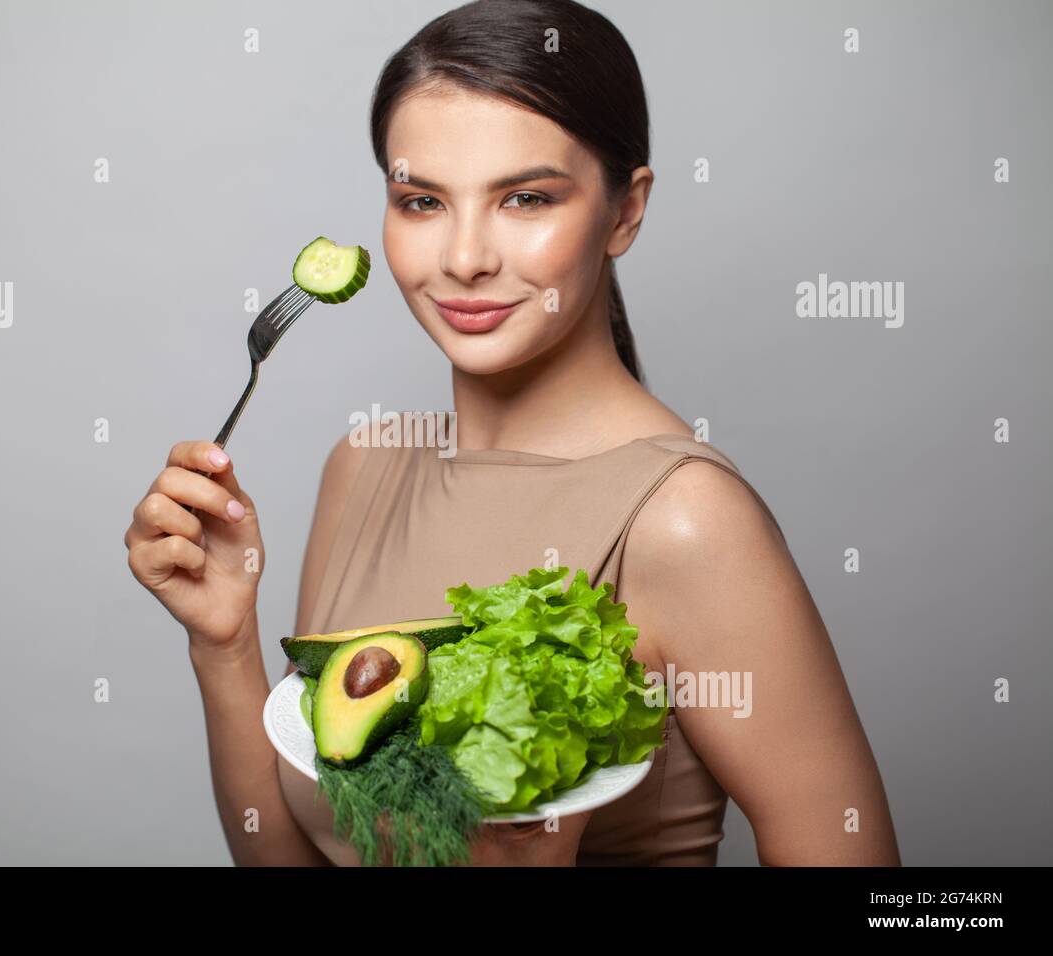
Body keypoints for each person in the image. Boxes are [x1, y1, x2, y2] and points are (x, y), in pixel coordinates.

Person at [124, 0, 900, 866]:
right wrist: (224, 645)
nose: (463, 257)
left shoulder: (687, 522)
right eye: (422, 201)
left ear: (624, 212)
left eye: (525, 198)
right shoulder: (361, 467)